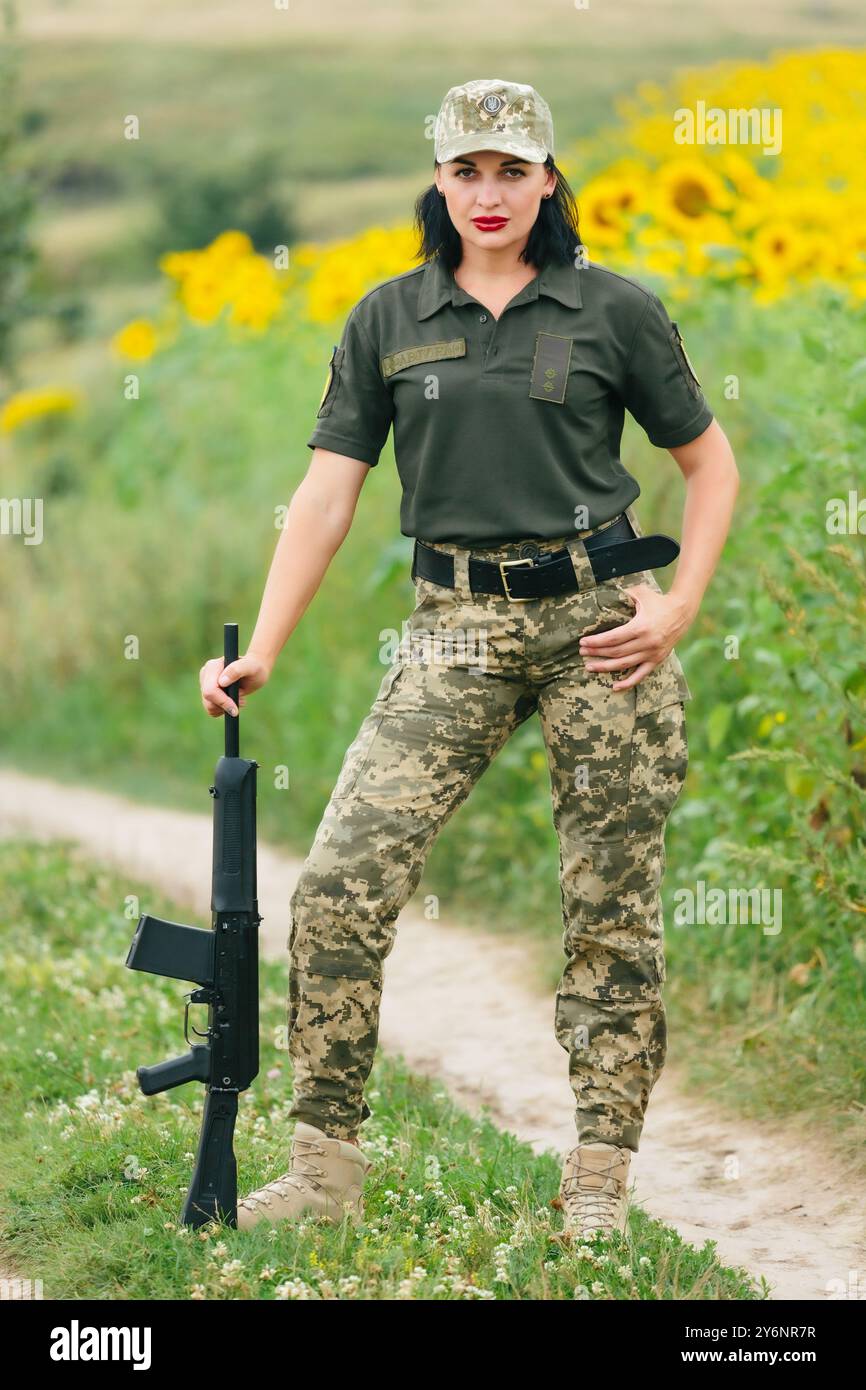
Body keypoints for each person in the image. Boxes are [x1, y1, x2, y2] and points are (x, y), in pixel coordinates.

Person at [199, 78, 739, 1242]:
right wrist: (264, 648)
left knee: (609, 907)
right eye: (464, 172)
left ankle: (595, 1181)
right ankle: (324, 1172)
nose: (486, 194)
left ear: (548, 179)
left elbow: (708, 465)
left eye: (510, 171)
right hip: (453, 619)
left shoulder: (612, 310)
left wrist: (679, 604)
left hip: (604, 617)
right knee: (341, 881)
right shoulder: (387, 317)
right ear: (435, 182)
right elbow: (325, 497)